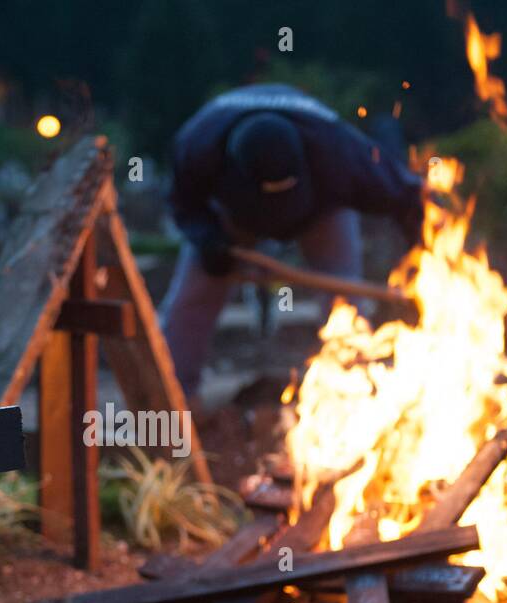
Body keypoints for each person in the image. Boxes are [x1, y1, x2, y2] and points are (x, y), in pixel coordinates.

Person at [159, 84, 425, 395]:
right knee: (190, 300)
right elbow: (181, 201)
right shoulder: (198, 146)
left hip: (320, 213)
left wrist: (420, 272)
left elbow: (409, 196)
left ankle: (353, 390)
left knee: (345, 302)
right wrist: (206, 237)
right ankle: (170, 400)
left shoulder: (338, 151)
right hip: (230, 218)